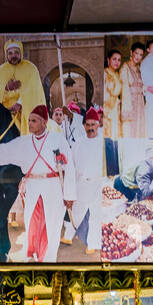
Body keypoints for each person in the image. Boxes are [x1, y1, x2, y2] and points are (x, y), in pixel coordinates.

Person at [0, 105, 75, 263]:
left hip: (52, 188)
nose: (30, 124)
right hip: (33, 187)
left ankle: (48, 259)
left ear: (44, 122)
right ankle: (34, 255)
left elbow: (70, 168)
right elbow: (2, 151)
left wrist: (69, 195)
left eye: (34, 121)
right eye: (29, 120)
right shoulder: (24, 142)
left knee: (51, 224)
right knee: (32, 222)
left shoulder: (58, 139)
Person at [67, 107, 105, 249]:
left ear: (98, 124)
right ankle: (70, 235)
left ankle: (93, 244)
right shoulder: (77, 144)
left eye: (93, 124)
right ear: (83, 126)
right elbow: (71, 167)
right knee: (76, 213)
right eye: (87, 125)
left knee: (96, 216)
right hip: (82, 185)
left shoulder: (103, 143)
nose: (90, 128)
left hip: (98, 185)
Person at [0, 38, 46, 131]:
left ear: (21, 53)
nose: (13, 56)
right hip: (6, 111)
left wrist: (19, 103)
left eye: (16, 52)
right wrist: (7, 88)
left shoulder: (31, 68)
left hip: (25, 109)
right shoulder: (1, 70)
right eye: (10, 53)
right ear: (6, 55)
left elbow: (34, 90)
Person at [119, 43, 148, 137]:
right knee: (130, 132)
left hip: (140, 106)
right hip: (130, 106)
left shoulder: (139, 69)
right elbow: (124, 92)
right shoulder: (125, 68)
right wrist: (127, 111)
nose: (138, 57)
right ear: (131, 52)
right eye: (136, 53)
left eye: (141, 55)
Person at [103, 51, 124, 138]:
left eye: (119, 60)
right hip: (108, 109)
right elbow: (111, 91)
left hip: (116, 108)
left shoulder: (117, 74)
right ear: (108, 60)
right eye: (114, 59)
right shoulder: (105, 73)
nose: (117, 62)